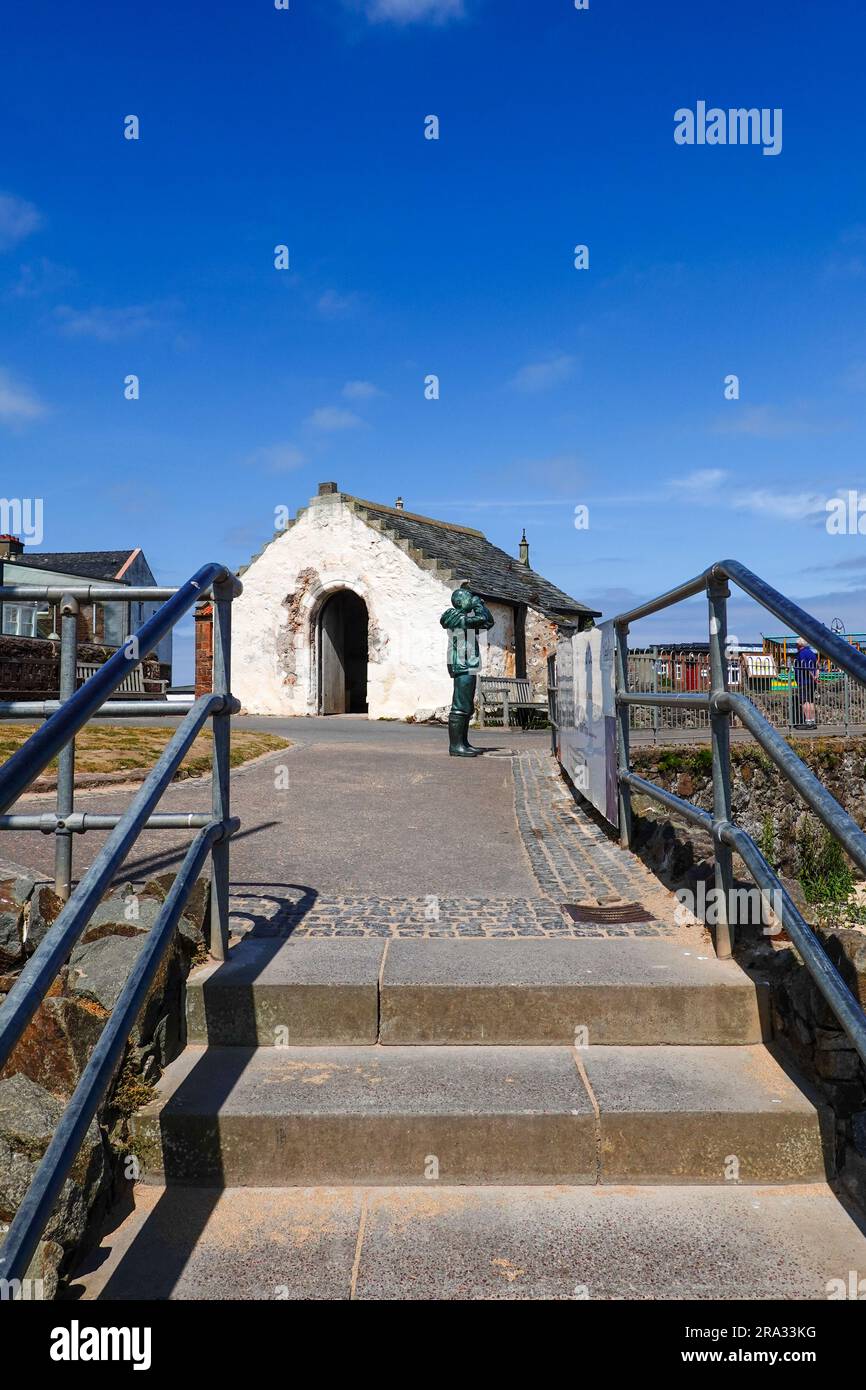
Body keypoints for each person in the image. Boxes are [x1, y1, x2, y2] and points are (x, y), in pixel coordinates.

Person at [439, 585, 494, 756]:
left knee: (467, 706)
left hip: (467, 664)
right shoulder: (455, 617)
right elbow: (479, 619)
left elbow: (488, 622)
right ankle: (455, 746)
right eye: (468, 598)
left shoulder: (463, 619)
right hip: (462, 664)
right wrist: (477, 604)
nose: (471, 600)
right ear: (460, 601)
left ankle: (463, 742)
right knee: (460, 705)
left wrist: (481, 606)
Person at [793, 636, 818, 727]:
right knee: (811, 701)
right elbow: (816, 666)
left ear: (799, 644)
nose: (796, 645)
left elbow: (806, 667)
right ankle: (812, 721)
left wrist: (812, 676)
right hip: (812, 682)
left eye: (796, 644)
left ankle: (807, 721)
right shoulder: (811, 653)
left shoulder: (801, 654)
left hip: (803, 680)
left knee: (805, 701)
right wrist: (816, 677)